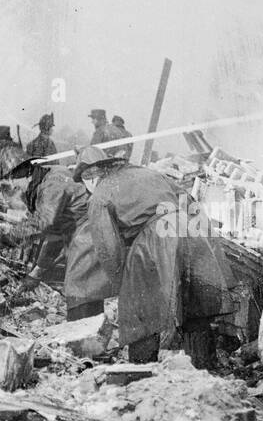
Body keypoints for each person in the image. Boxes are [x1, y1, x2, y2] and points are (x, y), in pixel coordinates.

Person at [74, 146, 237, 367]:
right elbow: (190, 202)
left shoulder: (100, 195)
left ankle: (140, 371)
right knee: (195, 308)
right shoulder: (149, 173)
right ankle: (206, 368)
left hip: (155, 240)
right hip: (189, 230)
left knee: (140, 312)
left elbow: (108, 249)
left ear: (90, 179)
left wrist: (122, 285)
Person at [0, 158, 110, 319]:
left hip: (90, 232)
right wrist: (36, 273)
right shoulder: (42, 179)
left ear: (27, 174)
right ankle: (88, 326)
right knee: (84, 289)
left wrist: (3, 239)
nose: (16, 189)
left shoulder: (52, 184)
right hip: (85, 232)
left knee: (80, 288)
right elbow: (54, 234)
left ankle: (82, 330)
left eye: (14, 184)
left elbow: (43, 223)